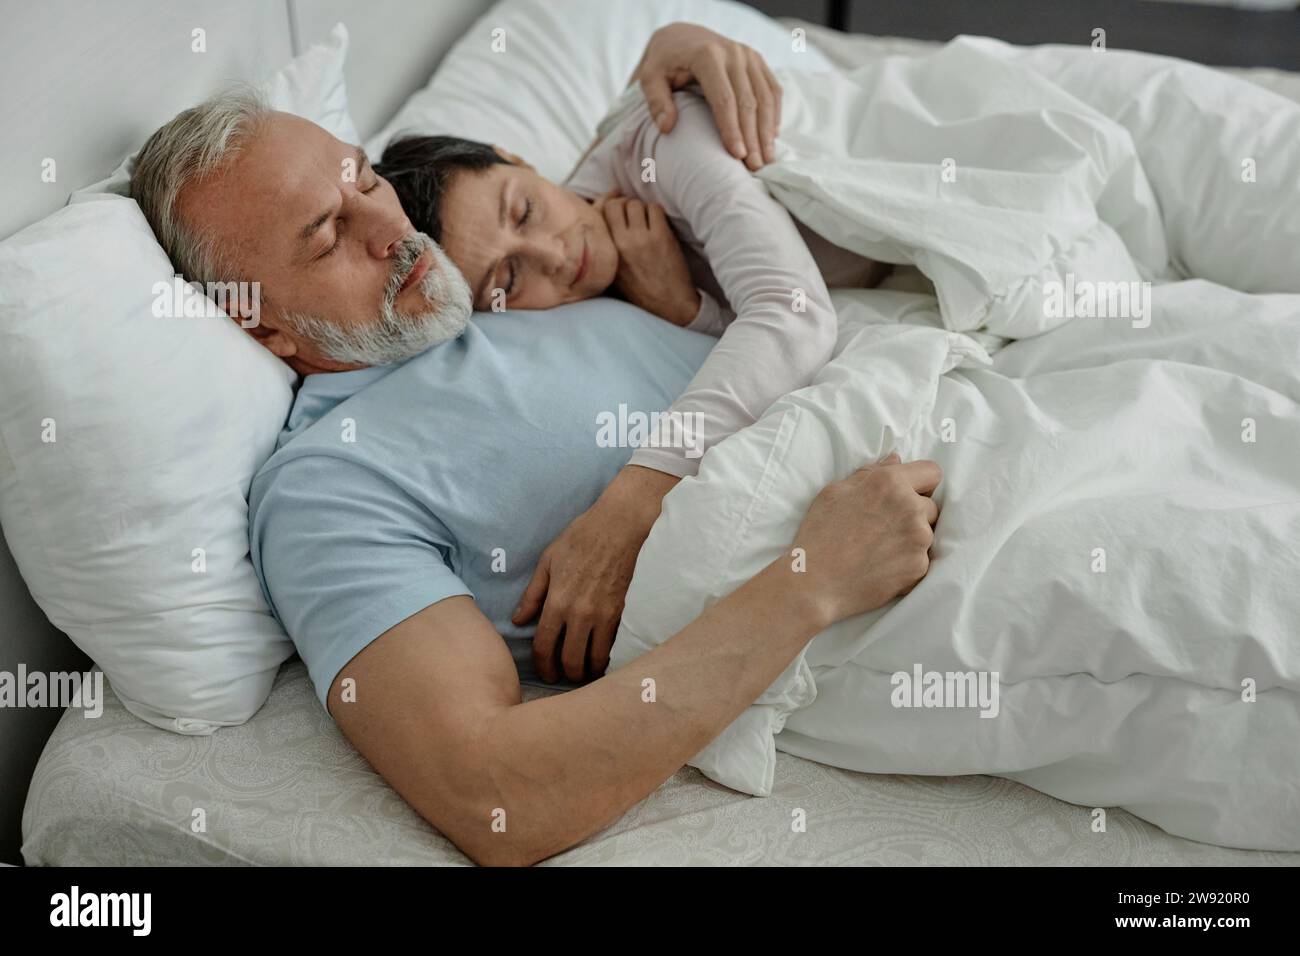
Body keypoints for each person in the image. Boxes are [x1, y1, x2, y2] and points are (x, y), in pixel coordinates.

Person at [130, 22, 941, 865]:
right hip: (878, 547)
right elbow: (495, 791)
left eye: (365, 179)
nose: (391, 227)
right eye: (330, 236)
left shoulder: (474, 284)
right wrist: (810, 584)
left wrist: (670, 59)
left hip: (917, 375)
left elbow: (582, 180)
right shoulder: (328, 486)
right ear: (260, 323)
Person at [375, 86, 891, 683]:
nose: (554, 255)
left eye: (524, 212)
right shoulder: (597, 302)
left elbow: (796, 313)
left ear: (514, 158)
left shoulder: (661, 144)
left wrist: (629, 506)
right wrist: (685, 310)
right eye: (509, 278)